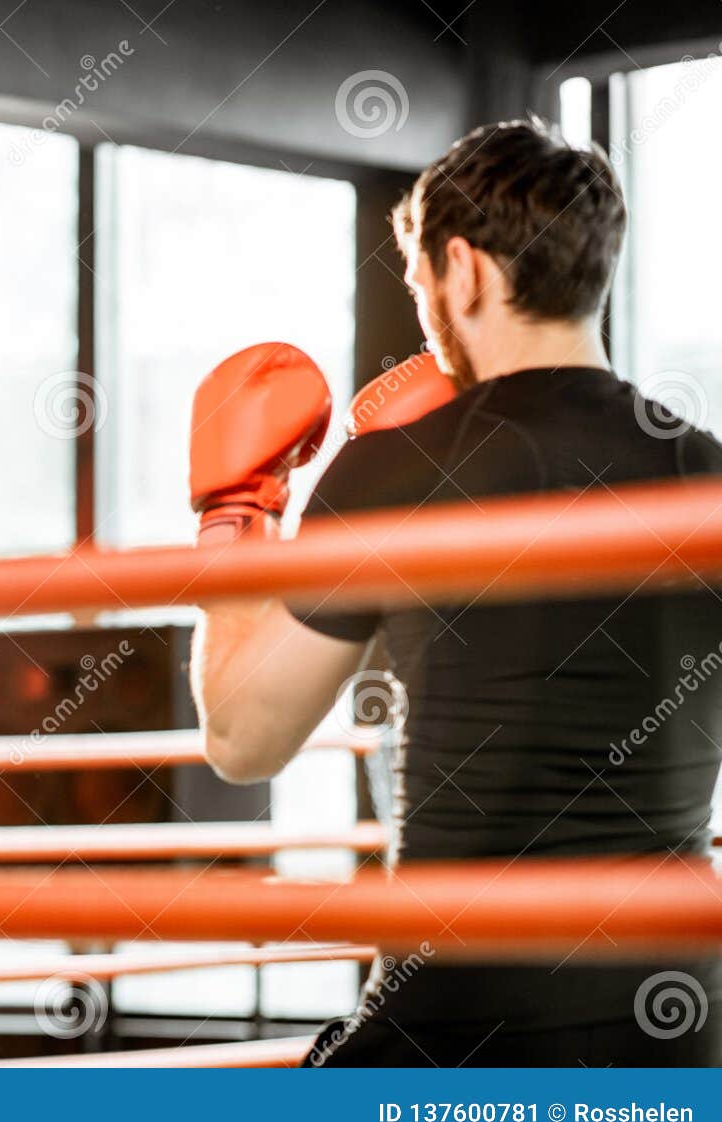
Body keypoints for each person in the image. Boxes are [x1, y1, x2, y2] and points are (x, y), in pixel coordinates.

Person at [188, 119, 722, 1066]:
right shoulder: (705, 469)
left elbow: (242, 737)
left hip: (460, 1030)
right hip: (678, 1029)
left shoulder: (399, 472)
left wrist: (237, 510)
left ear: (465, 272)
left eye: (421, 281)